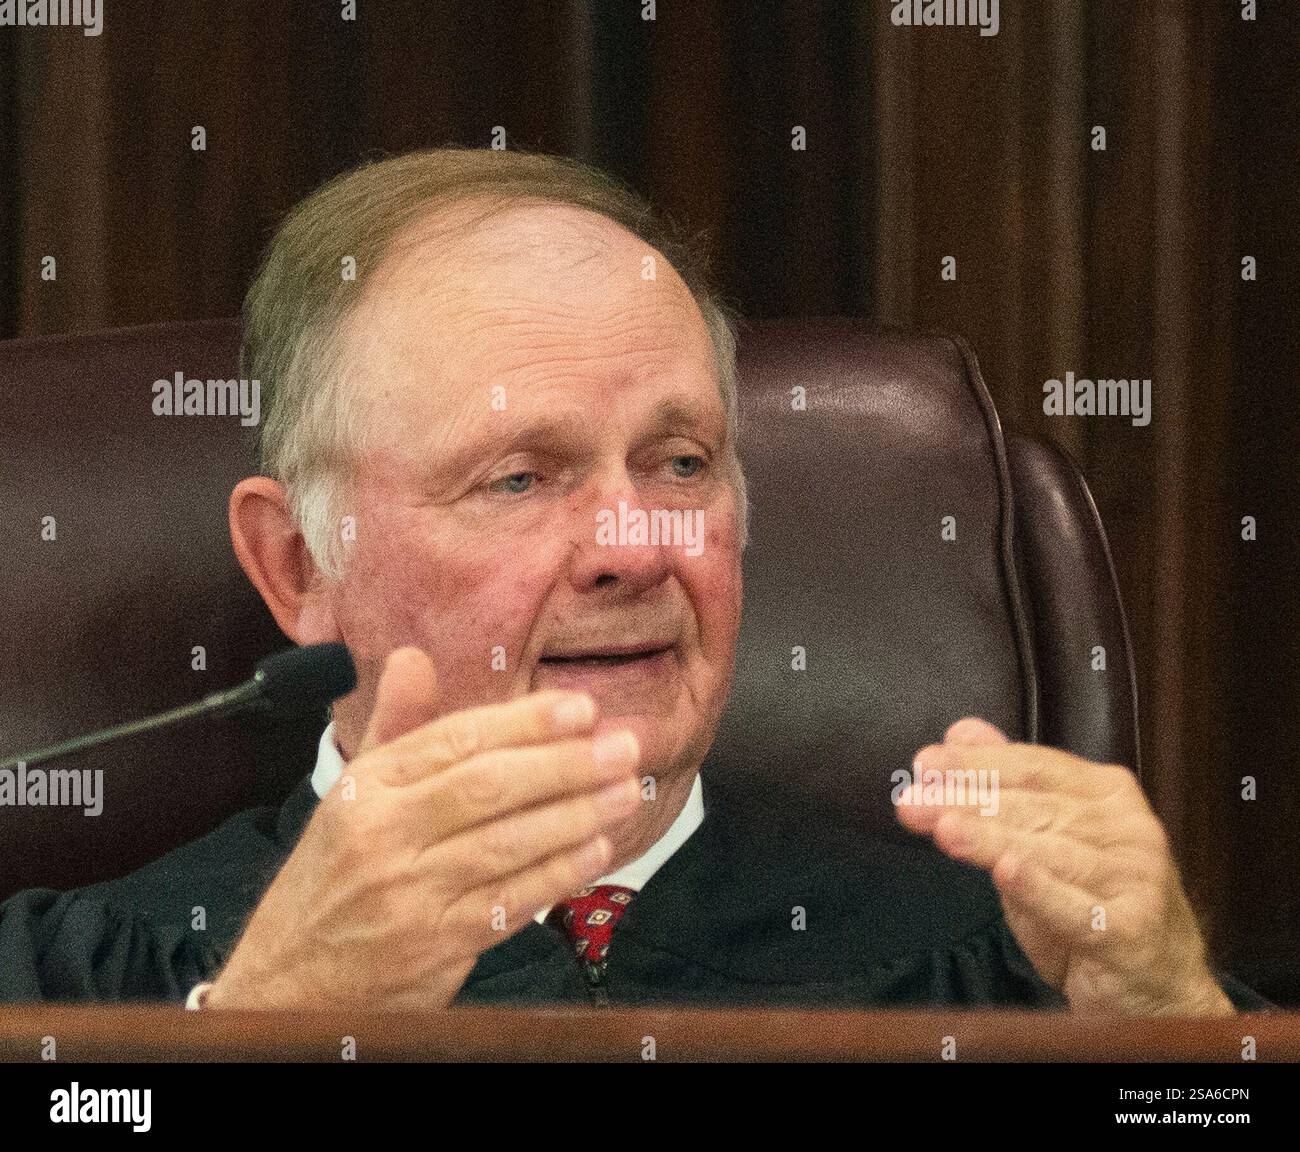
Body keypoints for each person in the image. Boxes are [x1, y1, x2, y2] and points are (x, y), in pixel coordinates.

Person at [0, 148, 1268, 1013]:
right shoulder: (71, 984)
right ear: (297, 566)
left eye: (678, 463)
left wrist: (1178, 1036)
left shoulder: (987, 965)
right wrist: (266, 1031)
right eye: (519, 477)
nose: (634, 547)